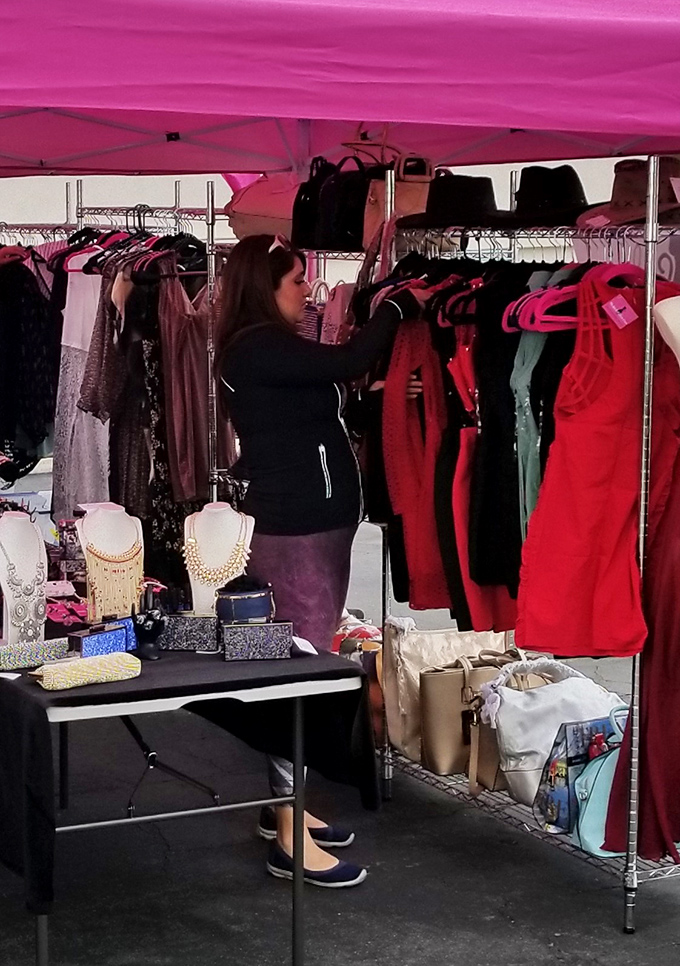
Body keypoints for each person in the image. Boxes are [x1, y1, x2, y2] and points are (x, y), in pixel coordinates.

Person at [214, 234, 426, 888]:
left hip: (311, 525)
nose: (305, 290)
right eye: (295, 281)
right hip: (298, 531)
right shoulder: (257, 346)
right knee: (297, 674)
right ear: (265, 286)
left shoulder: (266, 350)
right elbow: (353, 356)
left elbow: (319, 410)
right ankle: (287, 837)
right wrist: (395, 307)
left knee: (296, 662)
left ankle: (285, 809)